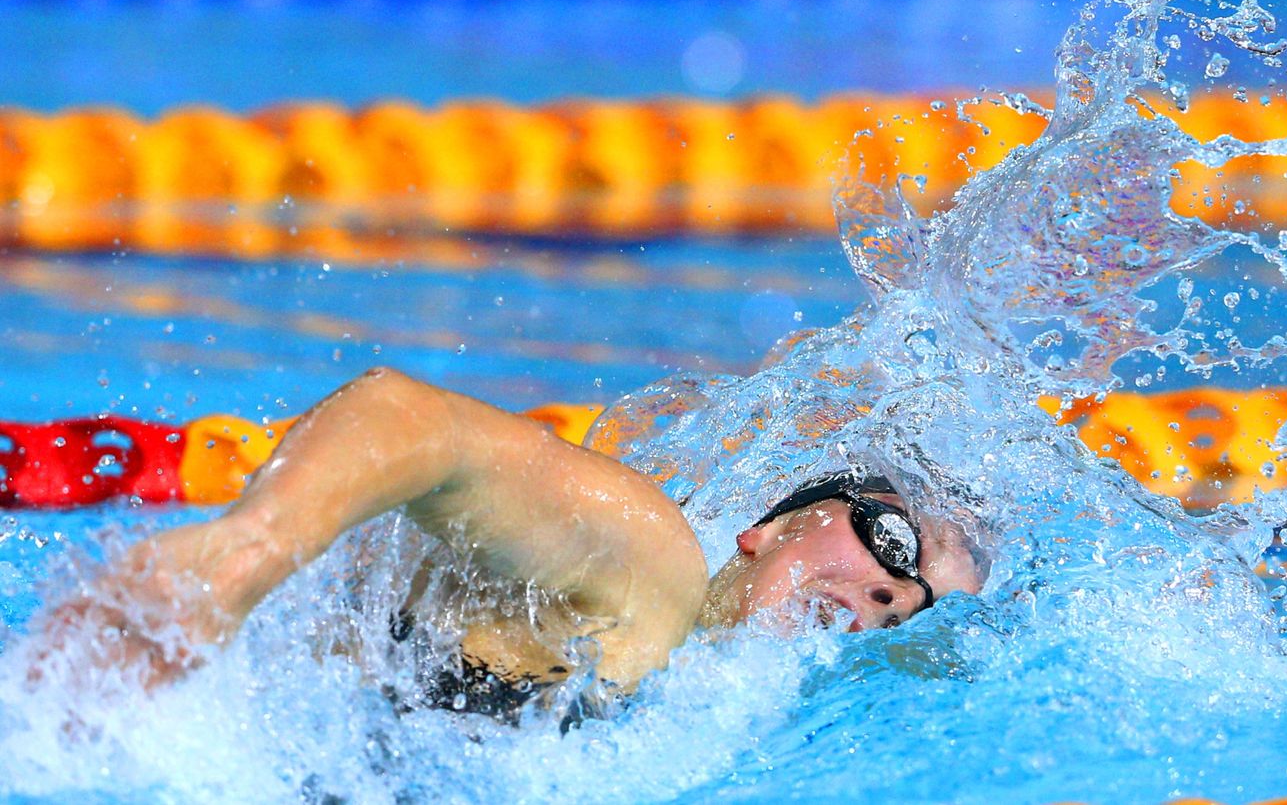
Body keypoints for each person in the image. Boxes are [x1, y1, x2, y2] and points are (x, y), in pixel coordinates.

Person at [41, 368, 986, 722]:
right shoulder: (648, 570)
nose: (884, 596)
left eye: (911, 606)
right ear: (772, 526)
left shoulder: (702, 714)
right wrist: (249, 550)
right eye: (894, 543)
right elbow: (413, 417)